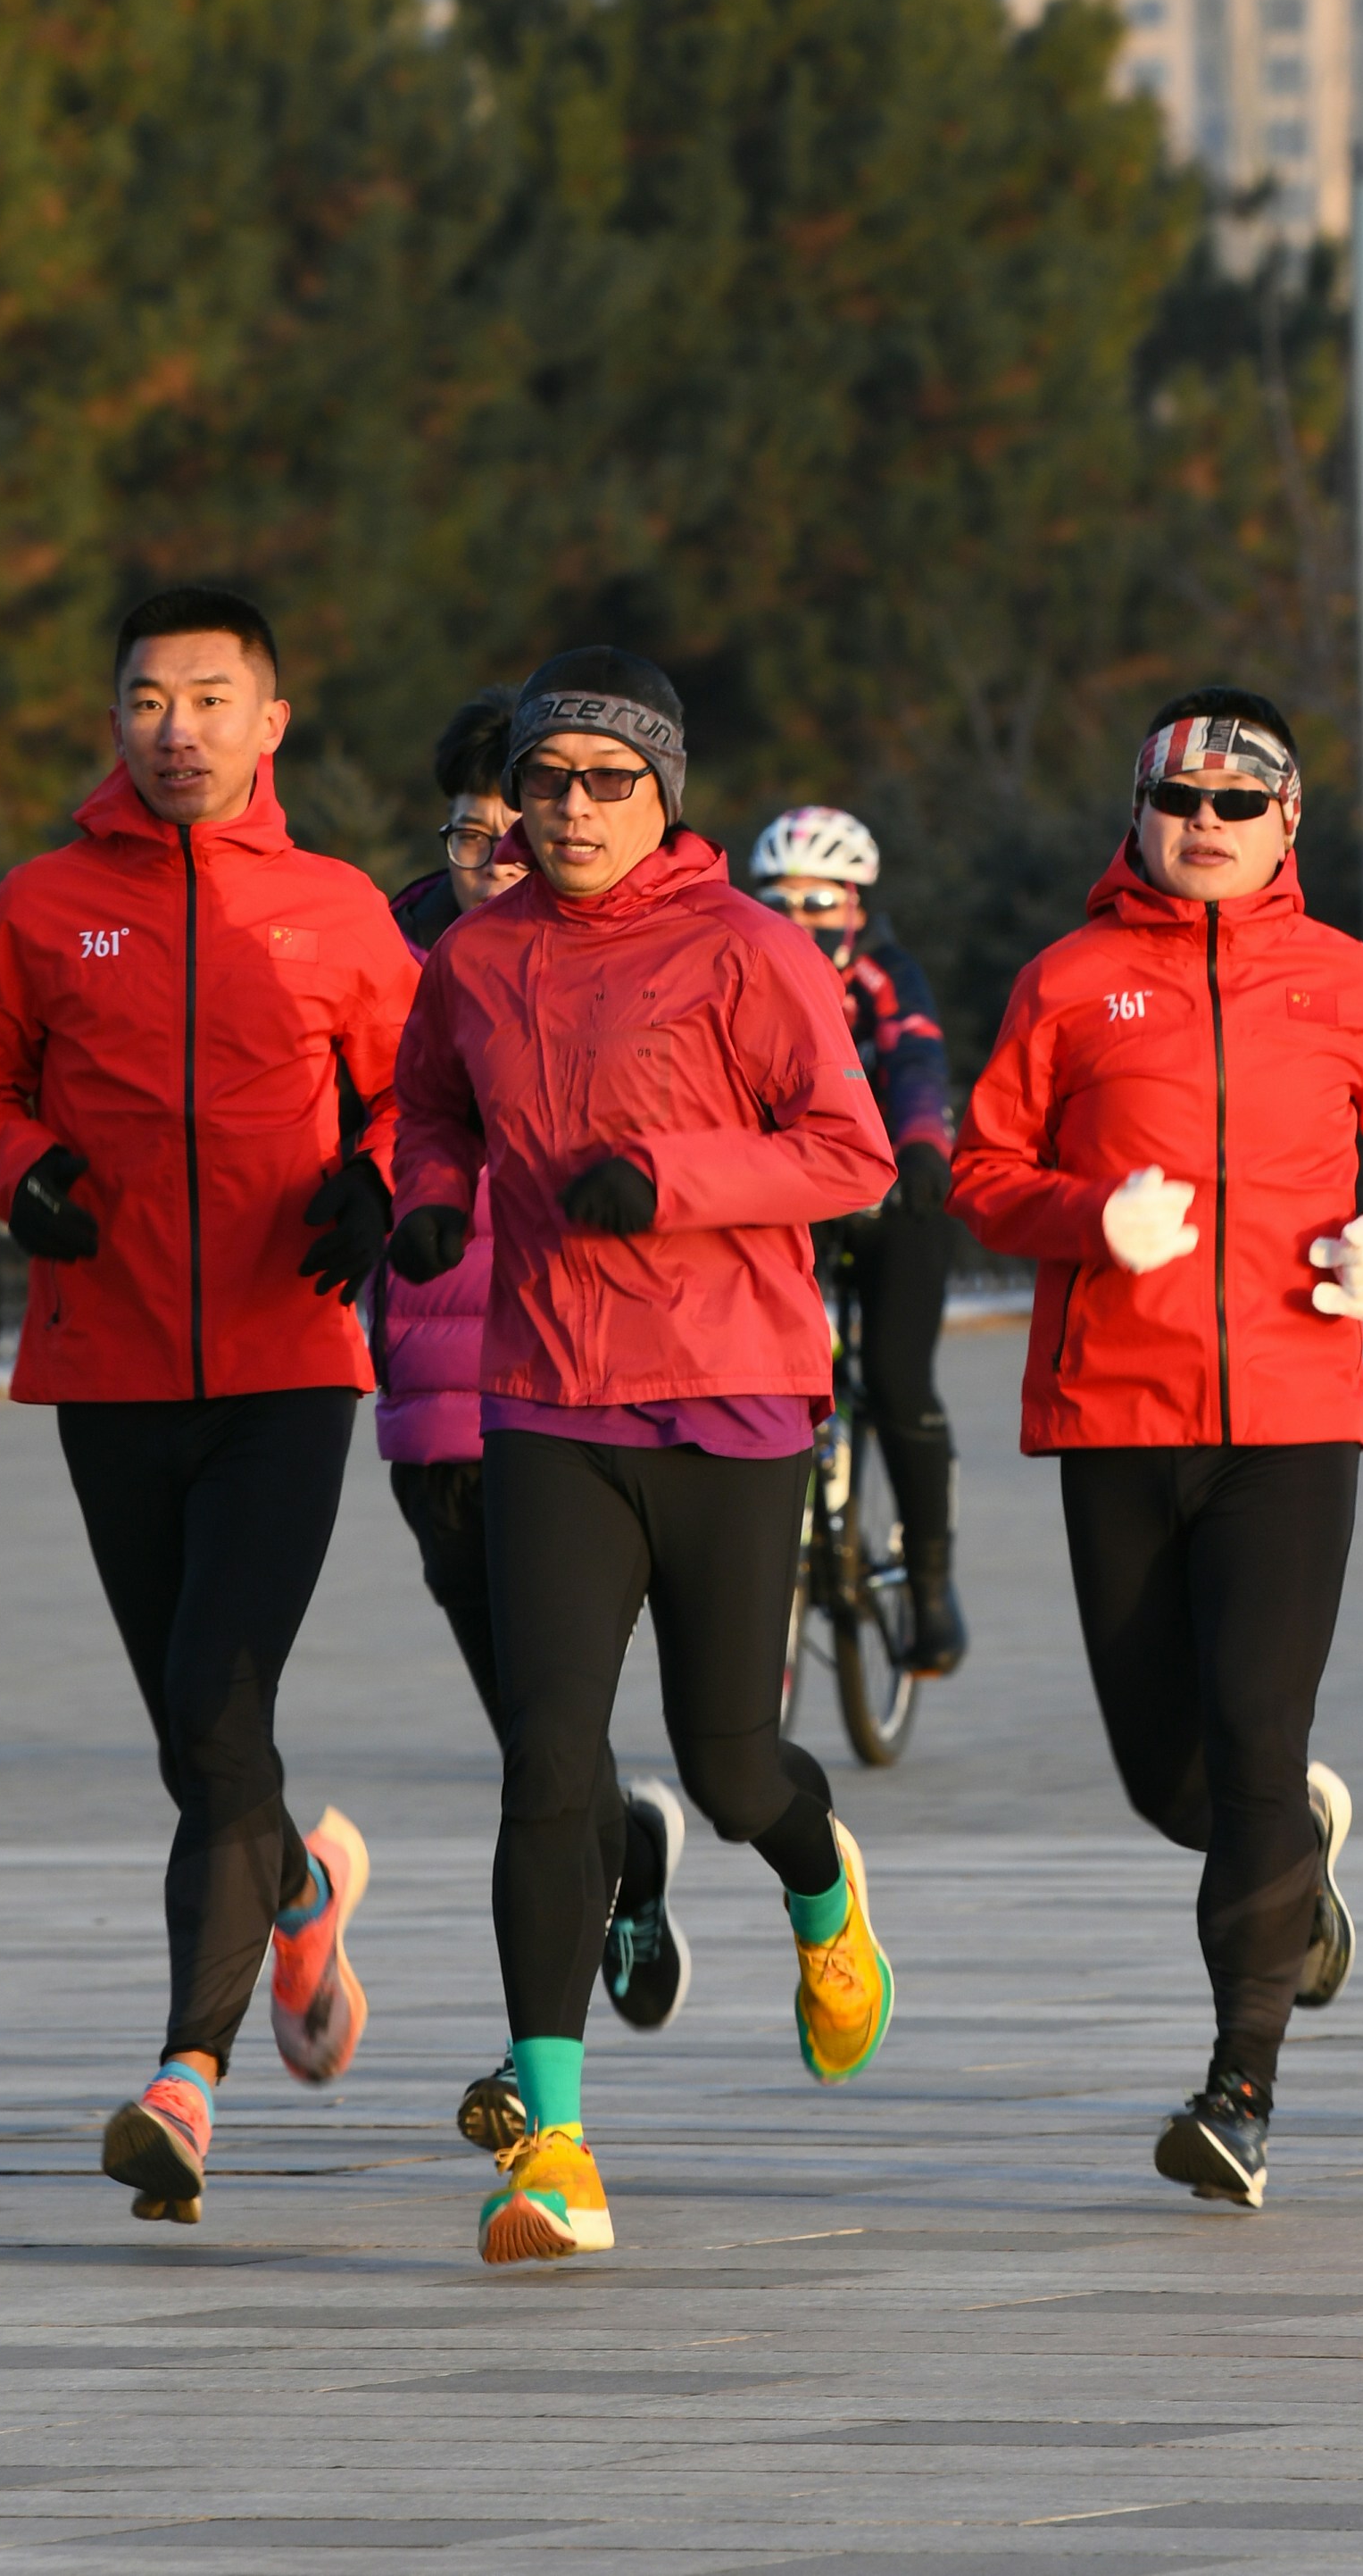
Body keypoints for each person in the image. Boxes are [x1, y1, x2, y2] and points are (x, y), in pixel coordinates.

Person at [389, 648, 903, 2266]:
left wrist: (666, 1181)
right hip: (544, 1394)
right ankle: (554, 2141)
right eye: (547, 780)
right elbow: (435, 1111)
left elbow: (851, 1152)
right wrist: (428, 1199)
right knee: (550, 1762)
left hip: (734, 1393)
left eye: (608, 780)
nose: (571, 808)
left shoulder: (747, 949)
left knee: (728, 1755)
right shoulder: (473, 956)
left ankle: (821, 1888)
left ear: (663, 791)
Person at [952, 685, 1363, 2211]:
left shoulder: (1345, 984)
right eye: (1179, 802)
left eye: (1237, 806)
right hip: (1113, 1409)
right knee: (1165, 1774)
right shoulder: (1067, 980)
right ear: (1137, 813)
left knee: (1253, 1734)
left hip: (1293, 1419)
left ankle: (1238, 2085)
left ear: (1286, 823)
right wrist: (1077, 1215)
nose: (1205, 826)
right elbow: (979, 1166)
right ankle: (1291, 1849)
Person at [0, 585, 416, 2225]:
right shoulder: (43, 905)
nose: (179, 727)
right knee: (193, 1734)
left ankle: (184, 2081)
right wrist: (23, 1170)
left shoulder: (342, 909)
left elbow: (428, 1093)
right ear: (114, 718)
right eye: (149, 697)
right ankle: (299, 1883)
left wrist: (382, 1181)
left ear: (272, 721)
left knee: (219, 1702)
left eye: (212, 696)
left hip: (291, 1358)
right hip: (110, 1357)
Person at [370, 697, 689, 2148]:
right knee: (529, 1728)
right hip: (437, 1403)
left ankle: (534, 2067)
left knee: (546, 1745)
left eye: (526, 820)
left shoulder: (630, 950)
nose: (504, 849)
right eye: (473, 827)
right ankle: (626, 1847)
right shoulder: (391, 947)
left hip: (580, 1388)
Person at [748, 805, 966, 1671]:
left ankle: (929, 1582)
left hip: (892, 1196)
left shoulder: (884, 974)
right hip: (790, 1201)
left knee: (897, 1380)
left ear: (852, 905)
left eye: (816, 902)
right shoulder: (745, 968)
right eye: (780, 901)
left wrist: (919, 1149)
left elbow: (913, 1062)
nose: (798, 921)